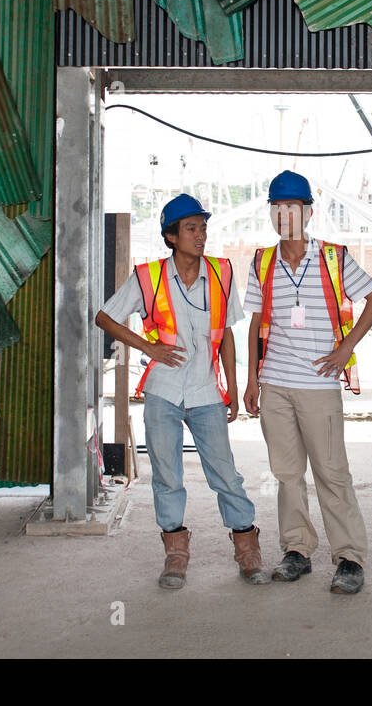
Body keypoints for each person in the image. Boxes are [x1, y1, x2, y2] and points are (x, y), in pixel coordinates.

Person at [94, 193, 268, 589]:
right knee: (168, 475)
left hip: (207, 392)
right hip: (163, 391)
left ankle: (247, 548)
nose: (201, 235)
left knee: (225, 473)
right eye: (191, 228)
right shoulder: (147, 276)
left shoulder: (222, 273)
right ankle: (176, 554)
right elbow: (105, 317)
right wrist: (148, 347)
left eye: (203, 228)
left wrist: (235, 387)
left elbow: (225, 336)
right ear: (171, 236)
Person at [243, 171, 372, 595]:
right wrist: (251, 378)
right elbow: (253, 324)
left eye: (294, 207)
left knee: (331, 472)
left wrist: (345, 347)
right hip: (275, 385)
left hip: (319, 386)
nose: (285, 214)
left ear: (308, 211)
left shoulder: (334, 257)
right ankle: (297, 551)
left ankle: (349, 558)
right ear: (272, 212)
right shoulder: (261, 262)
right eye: (278, 207)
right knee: (286, 474)